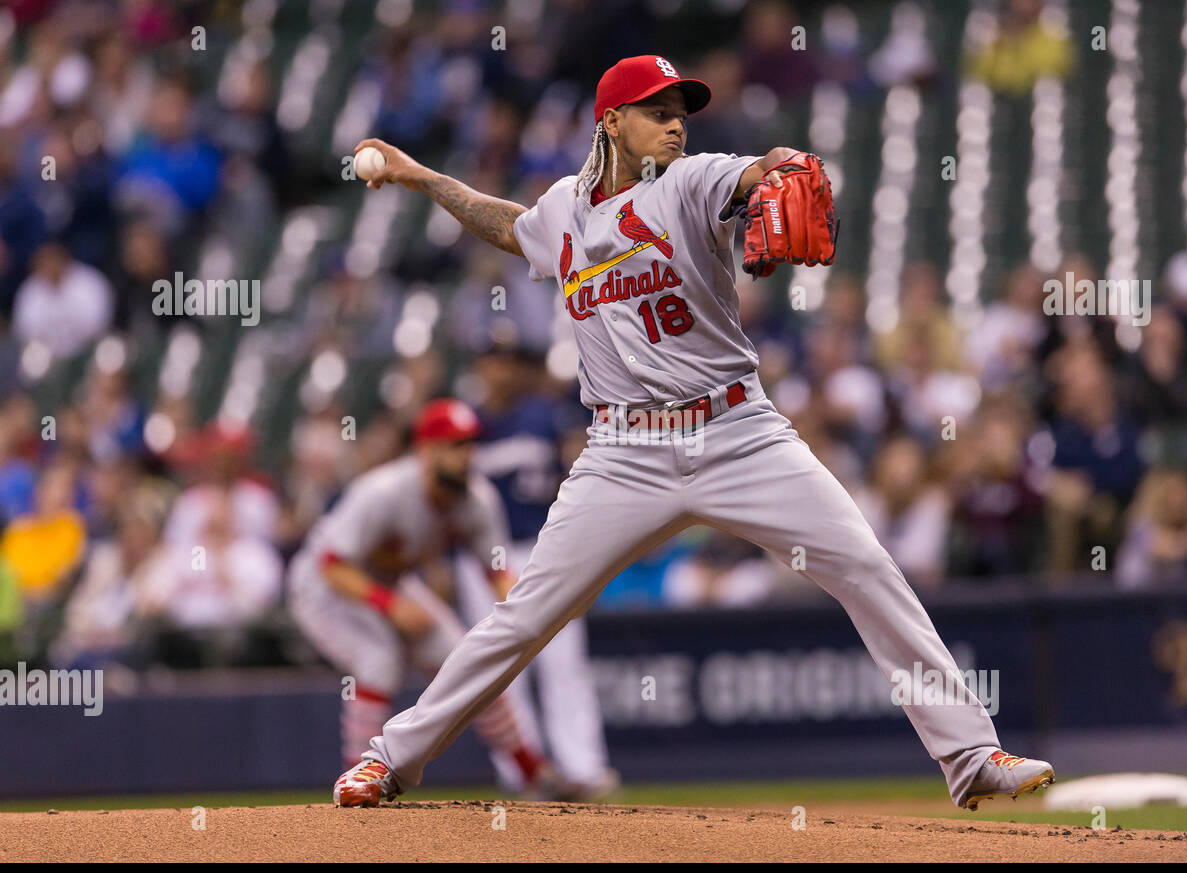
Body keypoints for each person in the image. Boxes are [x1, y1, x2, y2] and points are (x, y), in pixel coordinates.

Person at [334, 54, 1053, 811]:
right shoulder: (564, 212)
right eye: (656, 108)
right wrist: (421, 178)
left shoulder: (687, 180)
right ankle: (390, 758)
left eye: (682, 108)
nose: (676, 120)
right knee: (525, 615)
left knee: (866, 566)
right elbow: (510, 225)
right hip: (623, 455)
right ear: (611, 121)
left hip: (739, 431)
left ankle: (971, 754)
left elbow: (759, 171)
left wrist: (787, 166)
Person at [288, 398, 572, 796]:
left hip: (390, 582)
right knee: (379, 661)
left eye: (471, 443)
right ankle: (357, 779)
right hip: (322, 588)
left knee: (471, 662)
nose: (467, 454)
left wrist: (539, 612)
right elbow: (331, 564)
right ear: (426, 449)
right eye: (455, 445)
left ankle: (532, 775)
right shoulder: (384, 491)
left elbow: (497, 574)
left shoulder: (478, 499)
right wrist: (391, 605)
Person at [456, 337, 619, 800]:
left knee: (562, 661)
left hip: (546, 548)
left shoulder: (547, 415)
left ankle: (583, 769)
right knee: (502, 666)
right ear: (480, 367)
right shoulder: (464, 424)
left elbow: (581, 468)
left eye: (512, 361)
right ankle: (522, 771)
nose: (503, 370)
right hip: (484, 557)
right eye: (494, 360)